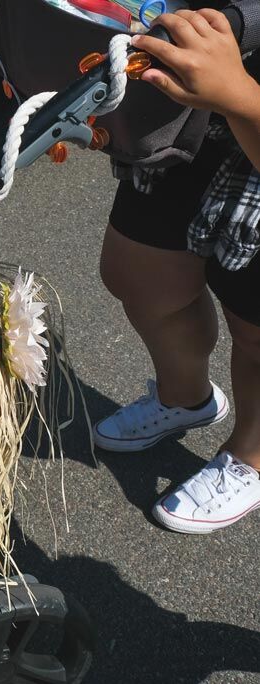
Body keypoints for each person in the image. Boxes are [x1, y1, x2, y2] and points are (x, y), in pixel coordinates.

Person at [94, 9, 260, 533]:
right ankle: (185, 396)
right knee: (136, 274)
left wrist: (239, 96)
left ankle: (252, 454)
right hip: (192, 114)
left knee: (255, 331)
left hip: (240, 105)